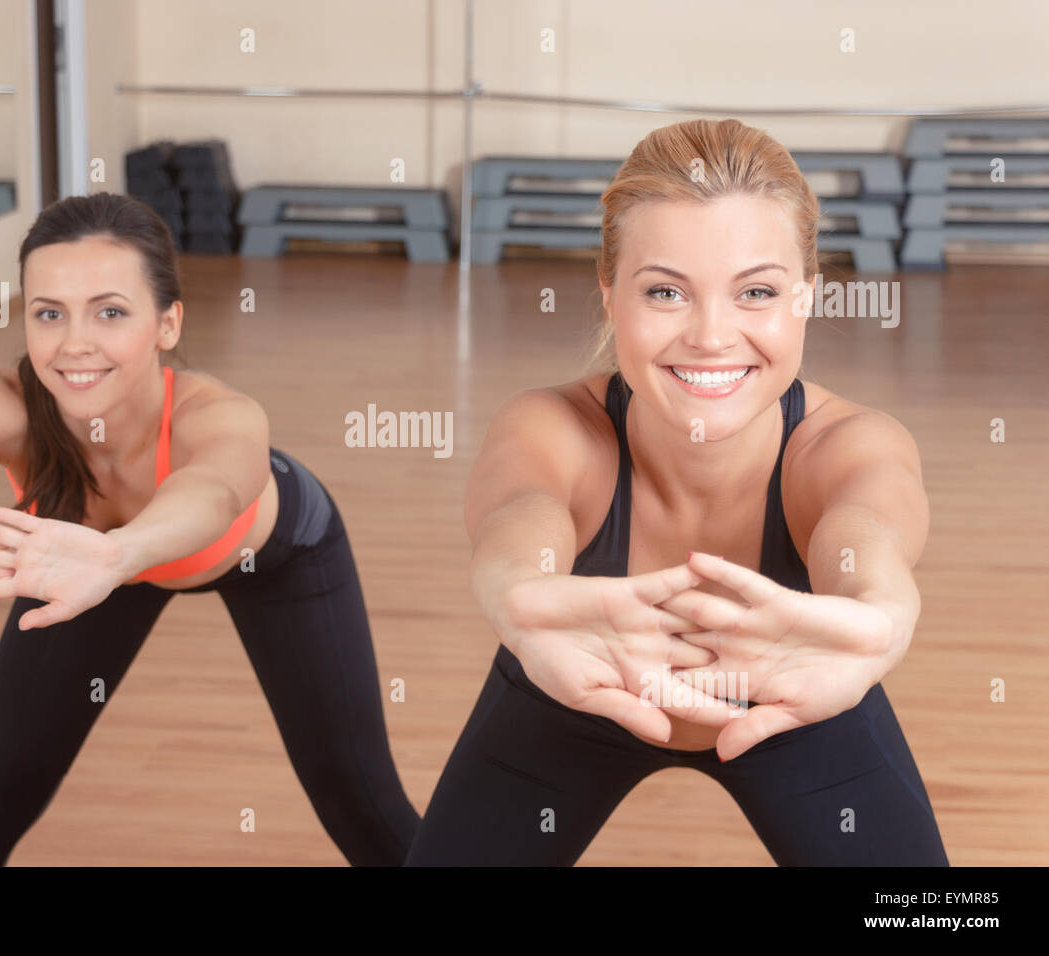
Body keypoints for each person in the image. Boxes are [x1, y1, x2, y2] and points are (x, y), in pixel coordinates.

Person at [404, 118, 949, 866]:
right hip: (579, 678)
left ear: (807, 298)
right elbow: (517, 521)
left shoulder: (851, 444)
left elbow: (868, 539)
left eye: (756, 291)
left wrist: (882, 612)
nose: (712, 336)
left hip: (796, 692)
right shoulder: (552, 426)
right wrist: (511, 593)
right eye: (666, 291)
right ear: (609, 294)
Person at [0, 192, 418, 866]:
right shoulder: (3, 402)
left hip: (273, 556)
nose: (75, 343)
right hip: (81, 563)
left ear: (166, 324)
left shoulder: (220, 415)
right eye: (49, 313)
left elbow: (213, 494)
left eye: (110, 312)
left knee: (362, 805)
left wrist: (121, 555)